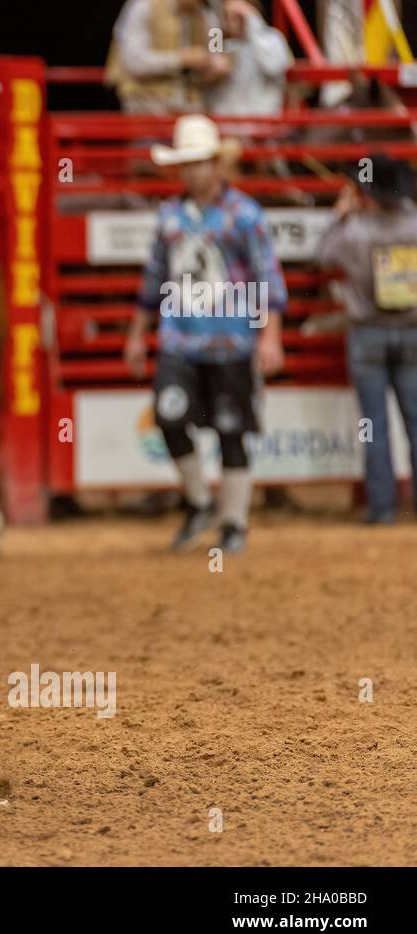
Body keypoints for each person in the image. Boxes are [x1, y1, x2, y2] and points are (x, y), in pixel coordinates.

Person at [124, 114, 286, 553]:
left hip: (233, 340)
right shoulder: (170, 216)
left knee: (232, 430)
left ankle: (233, 522)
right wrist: (139, 332)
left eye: (199, 163)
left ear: (215, 164)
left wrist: (269, 336)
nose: (193, 172)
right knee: (169, 415)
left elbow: (267, 276)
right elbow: (155, 276)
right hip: (180, 339)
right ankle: (199, 502)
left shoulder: (244, 215)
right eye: (186, 164)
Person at [317, 155, 417, 524]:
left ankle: (382, 507)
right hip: (412, 331)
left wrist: (339, 215)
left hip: (368, 333)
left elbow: (323, 256)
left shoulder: (355, 230)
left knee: (373, 425)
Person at [106, 0, 227, 115]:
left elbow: (217, 52)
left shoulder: (208, 14)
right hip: (146, 106)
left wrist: (215, 66)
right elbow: (134, 62)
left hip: (192, 109)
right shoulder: (143, 6)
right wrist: (180, 59)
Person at [205, 0, 291, 117]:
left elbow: (274, 66)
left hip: (261, 122)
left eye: (237, 16)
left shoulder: (271, 37)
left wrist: (253, 22)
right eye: (227, 16)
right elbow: (206, 76)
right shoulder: (220, 43)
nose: (231, 22)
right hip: (226, 123)